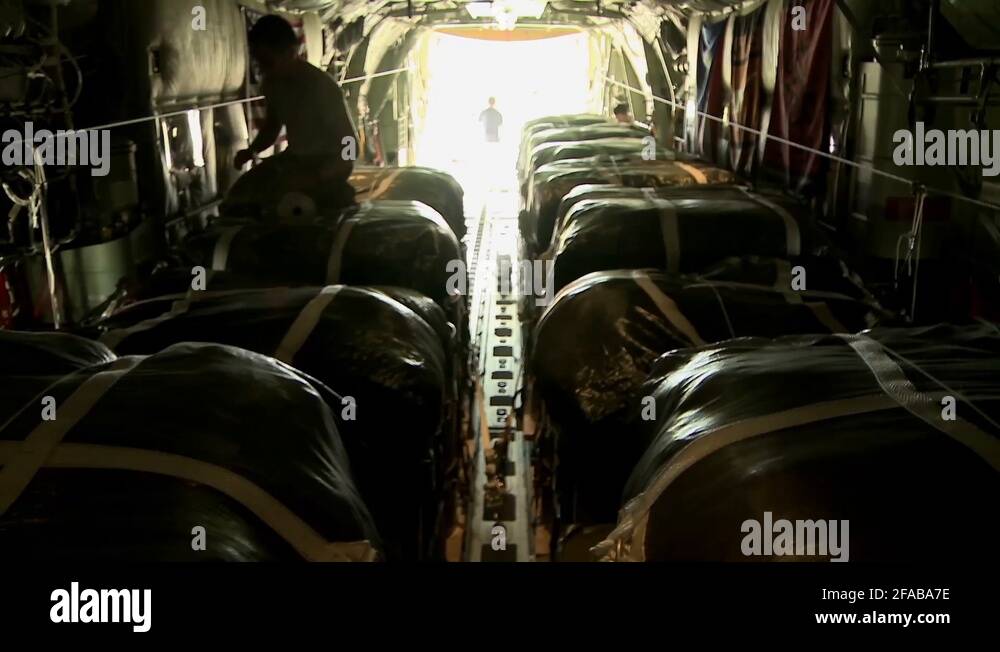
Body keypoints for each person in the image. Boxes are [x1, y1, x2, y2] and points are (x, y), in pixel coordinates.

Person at [225, 15, 358, 219]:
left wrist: (317, 177)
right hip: (295, 160)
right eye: (259, 63)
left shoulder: (322, 88)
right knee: (237, 199)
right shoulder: (273, 85)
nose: (263, 70)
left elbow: (351, 147)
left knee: (294, 206)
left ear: (291, 52)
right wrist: (251, 150)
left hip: (327, 164)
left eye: (268, 62)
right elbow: (272, 127)